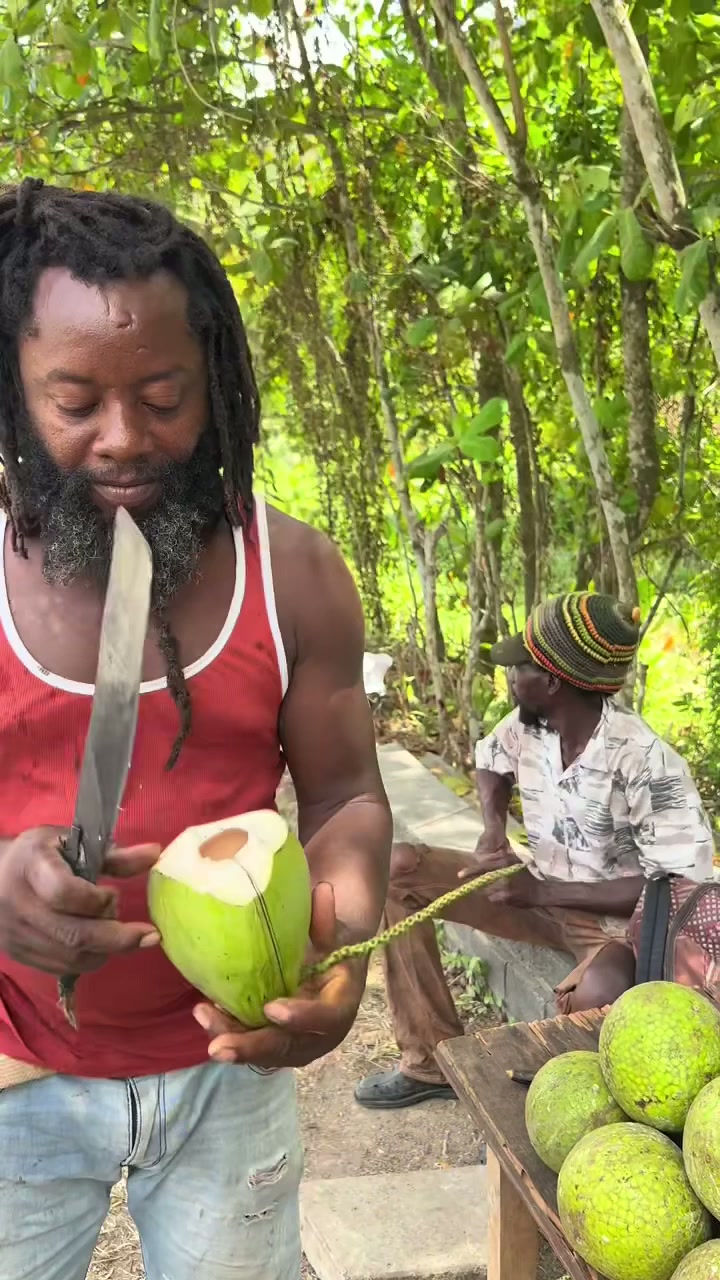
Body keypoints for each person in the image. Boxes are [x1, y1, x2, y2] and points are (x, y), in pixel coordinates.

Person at [0, 179, 392, 1279]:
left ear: (215, 385)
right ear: (12, 392)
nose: (124, 438)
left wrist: (342, 946)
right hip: (12, 1067)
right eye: (74, 400)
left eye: (166, 394)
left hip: (229, 1066)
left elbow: (348, 795)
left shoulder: (297, 575)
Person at [355, 592, 714, 1110]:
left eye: (519, 667)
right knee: (399, 871)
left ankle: (559, 1110)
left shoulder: (647, 761)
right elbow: (490, 761)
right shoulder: (531, 724)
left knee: (600, 995)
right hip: (534, 896)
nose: (510, 677)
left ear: (550, 682)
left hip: (612, 928)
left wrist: (544, 889)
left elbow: (678, 890)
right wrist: (492, 829)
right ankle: (430, 1061)